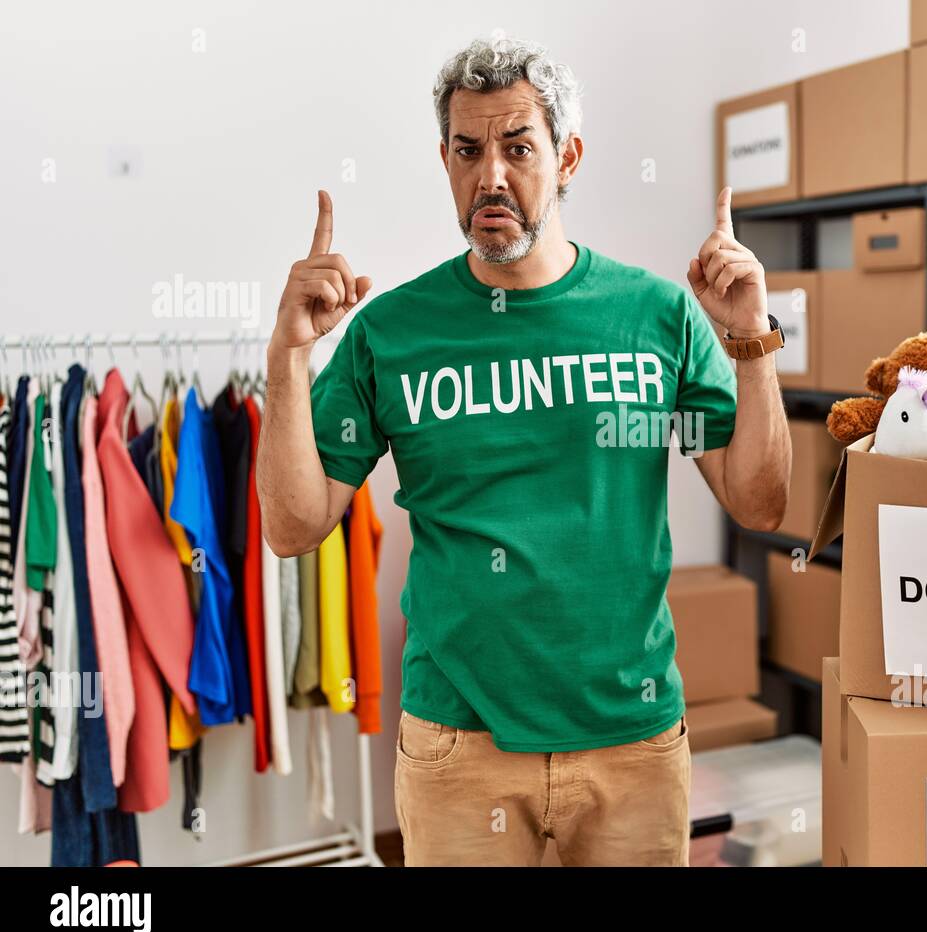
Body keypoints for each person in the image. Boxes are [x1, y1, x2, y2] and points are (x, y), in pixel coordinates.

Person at [256, 35, 790, 866]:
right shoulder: (392, 332)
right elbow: (293, 526)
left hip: (633, 741)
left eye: (518, 147)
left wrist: (750, 337)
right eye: (468, 151)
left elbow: (758, 501)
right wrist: (288, 361)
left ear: (567, 155)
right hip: (457, 745)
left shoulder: (656, 316)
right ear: (444, 159)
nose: (491, 176)